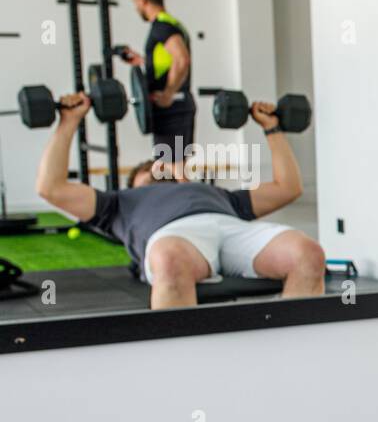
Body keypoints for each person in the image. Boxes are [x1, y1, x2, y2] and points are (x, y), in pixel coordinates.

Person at [35, 93, 325, 310]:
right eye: (148, 173)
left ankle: (295, 356)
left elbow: (288, 188)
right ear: (135, 185)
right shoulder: (119, 203)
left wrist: (272, 128)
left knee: (307, 253)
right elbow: (51, 188)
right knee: (170, 260)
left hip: (231, 226)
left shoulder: (218, 194)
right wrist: (69, 121)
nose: (157, 172)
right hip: (173, 238)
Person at [119, 0, 195, 176]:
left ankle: (193, 205)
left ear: (143, 0)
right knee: (173, 170)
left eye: (136, 3)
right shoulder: (172, 24)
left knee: (171, 171)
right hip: (177, 106)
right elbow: (170, 61)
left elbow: (182, 59)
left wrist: (168, 93)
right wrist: (144, 62)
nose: (136, 7)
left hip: (172, 109)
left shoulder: (161, 26)